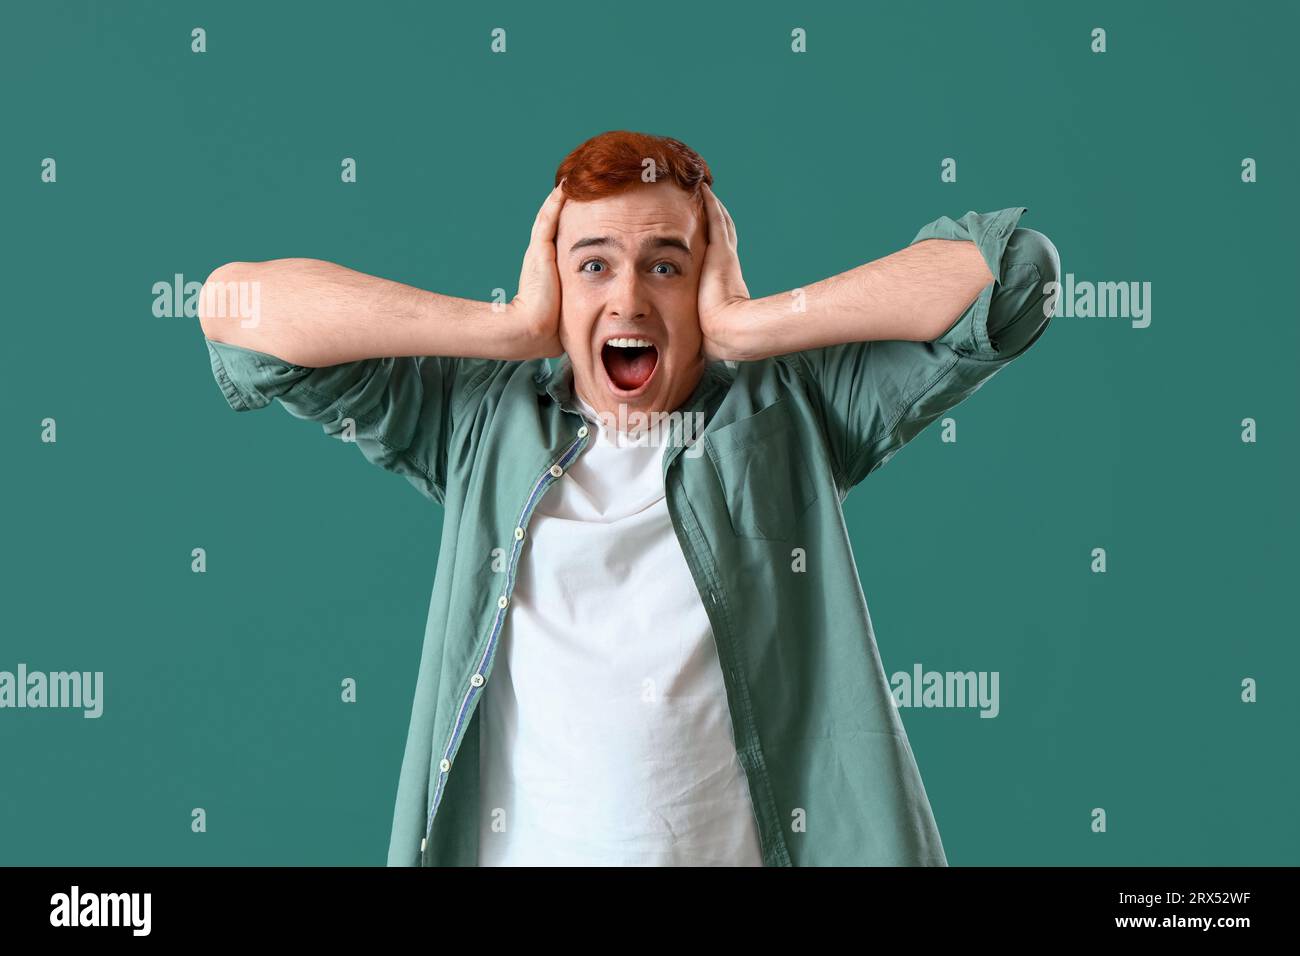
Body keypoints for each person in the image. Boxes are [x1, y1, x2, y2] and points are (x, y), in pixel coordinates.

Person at [199, 129, 1059, 866]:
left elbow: (1017, 277)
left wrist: (750, 325)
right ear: (556, 284)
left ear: (705, 281)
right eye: (595, 265)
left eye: (665, 265)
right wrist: (506, 328)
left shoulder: (794, 413)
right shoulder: (480, 426)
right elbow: (235, 313)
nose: (629, 298)